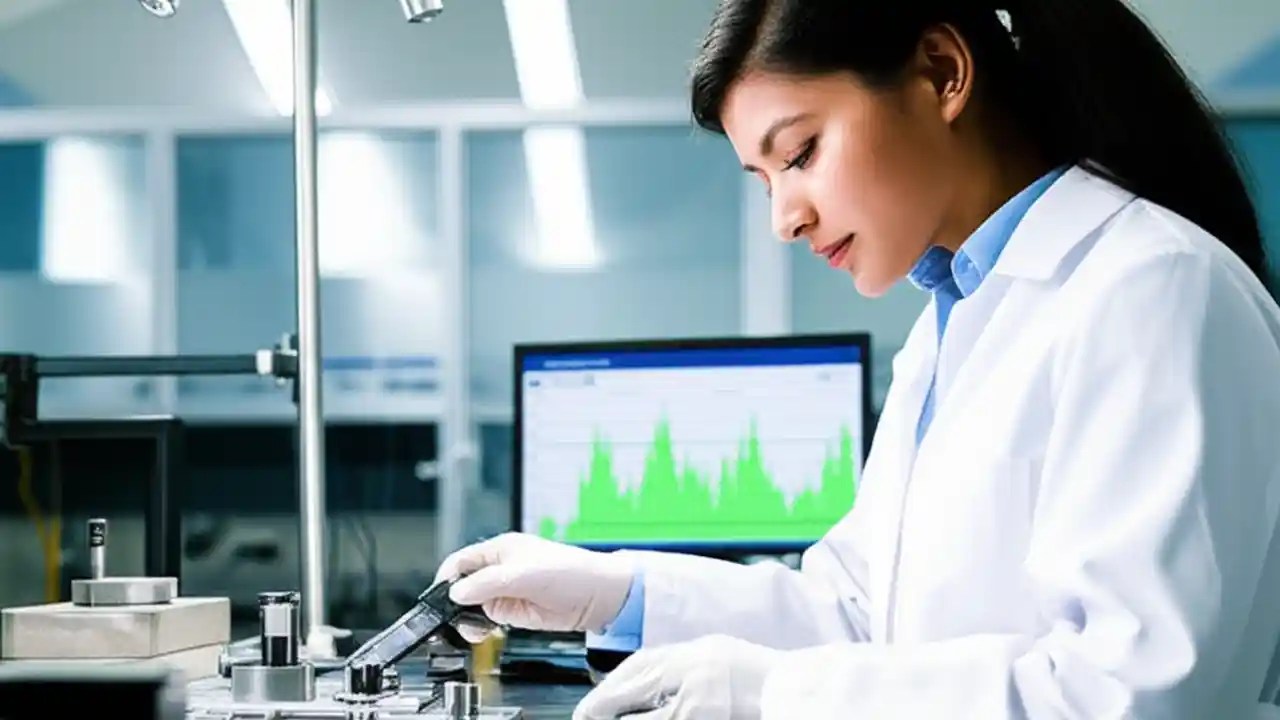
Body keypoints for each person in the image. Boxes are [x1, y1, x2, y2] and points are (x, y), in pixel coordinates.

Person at [436, 0, 1280, 717]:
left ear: (944, 72)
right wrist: (617, 591)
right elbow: (858, 611)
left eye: (800, 154)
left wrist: (777, 694)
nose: (786, 219)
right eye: (764, 180)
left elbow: (1130, 692)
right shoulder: (955, 322)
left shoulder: (1151, 286)